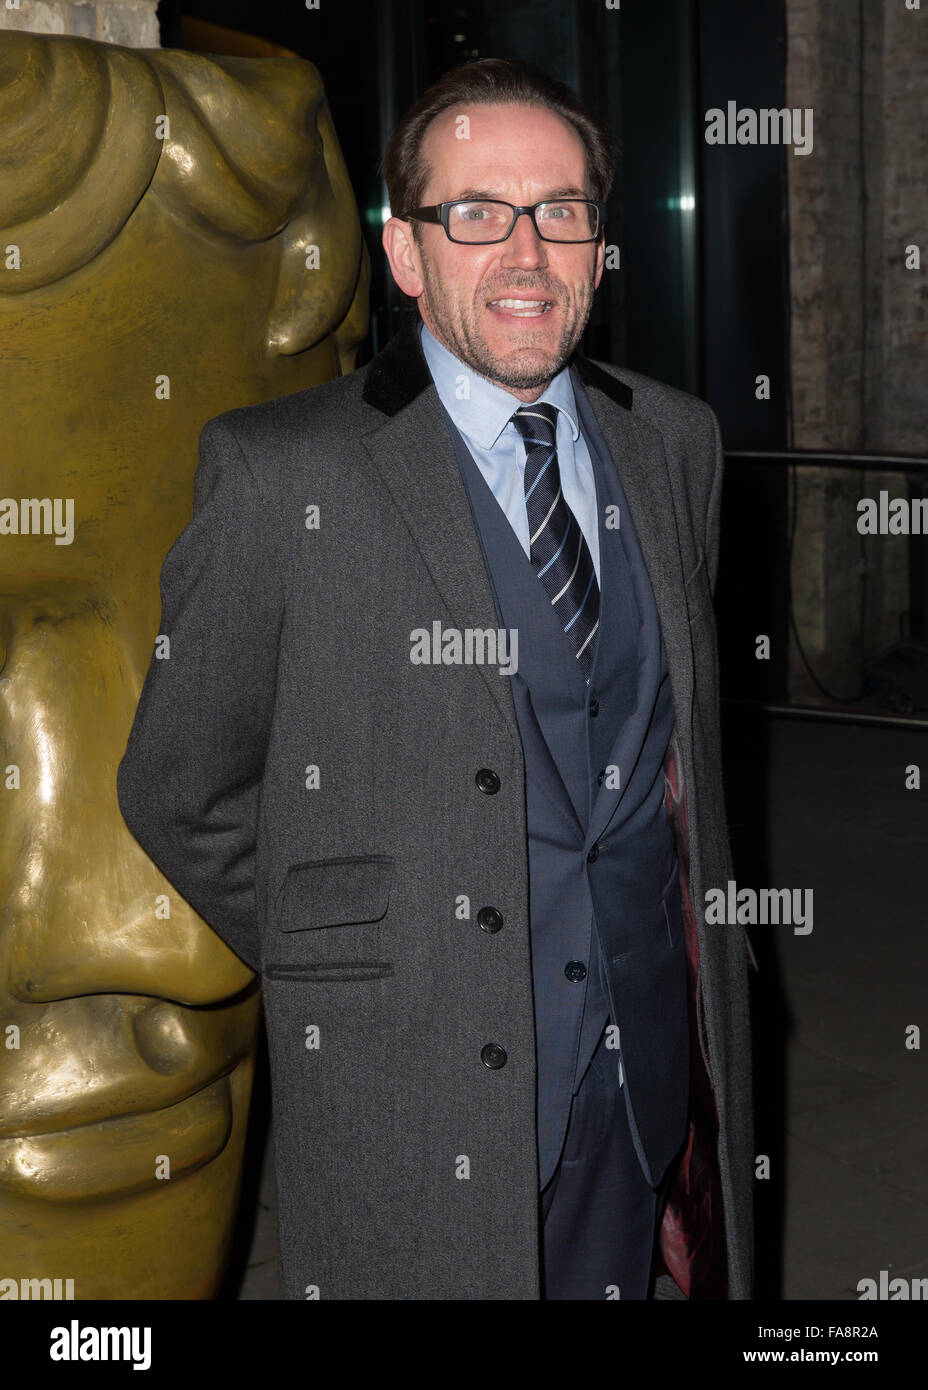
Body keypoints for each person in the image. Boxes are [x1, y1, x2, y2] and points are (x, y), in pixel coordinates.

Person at [118, 57, 754, 1301]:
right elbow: (179, 785)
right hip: (414, 1089)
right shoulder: (283, 475)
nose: (526, 252)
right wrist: (360, 958)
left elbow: (664, 749)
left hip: (644, 1070)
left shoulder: (674, 441)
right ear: (406, 254)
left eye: (560, 210)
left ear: (600, 245)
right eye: (475, 213)